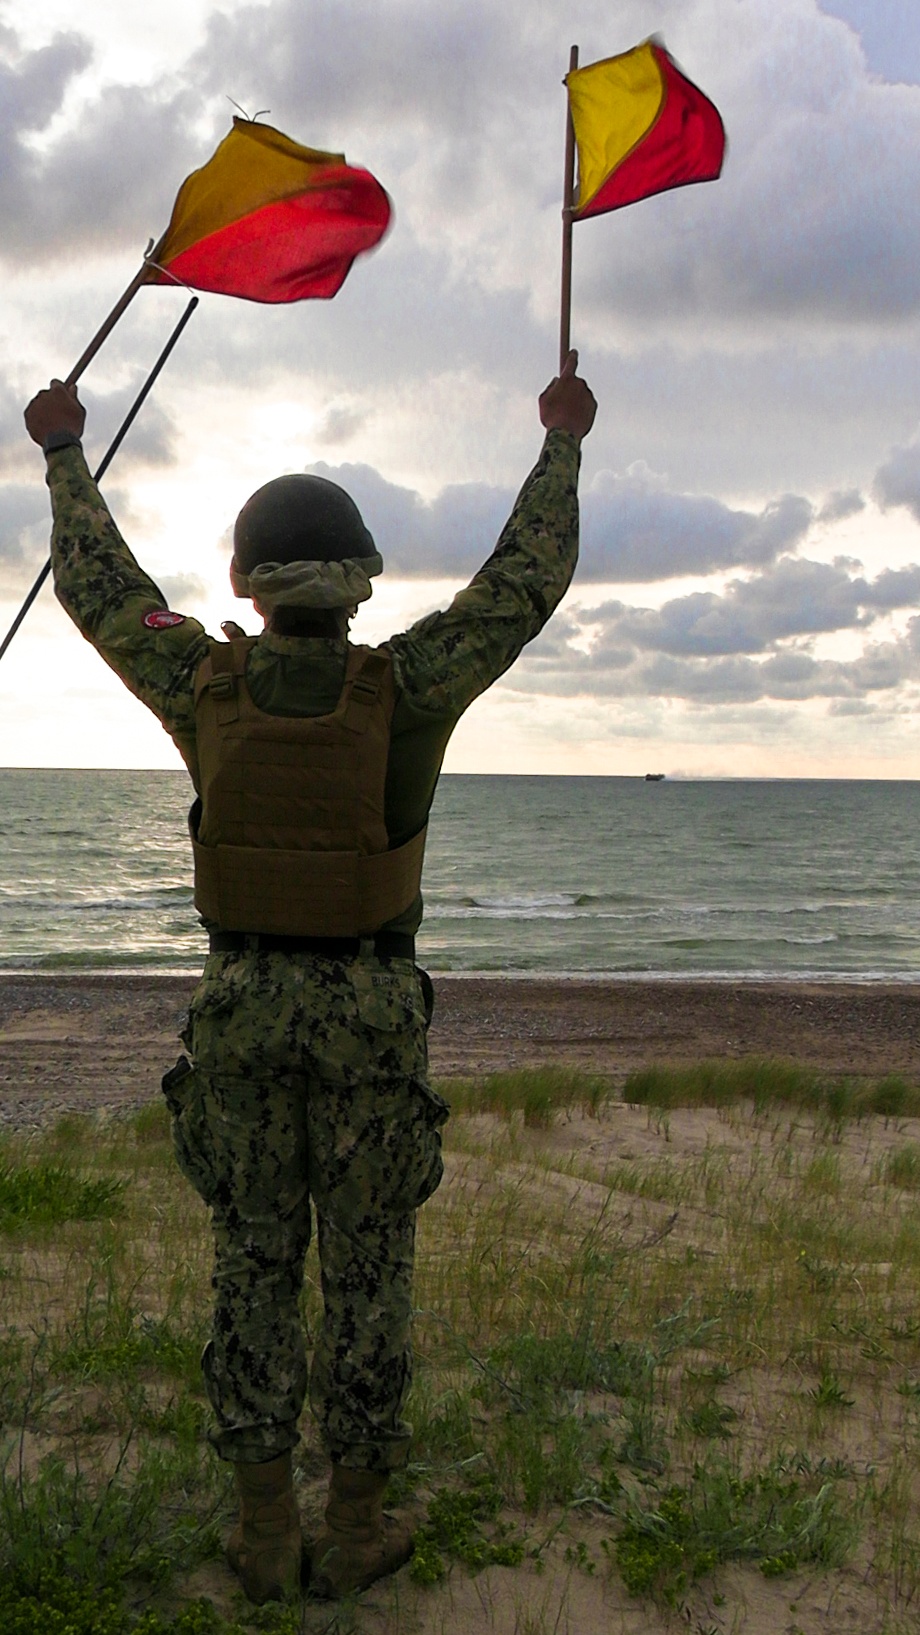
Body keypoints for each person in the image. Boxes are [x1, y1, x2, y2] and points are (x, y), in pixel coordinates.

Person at [23, 352, 597, 1602]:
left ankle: (261, 1524)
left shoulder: (201, 681)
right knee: (370, 1267)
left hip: (241, 1010)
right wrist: (560, 441)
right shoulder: (411, 684)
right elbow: (520, 585)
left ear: (246, 583)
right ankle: (355, 1525)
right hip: (371, 1012)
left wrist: (65, 450)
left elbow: (102, 591)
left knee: (253, 1259)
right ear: (361, 580)